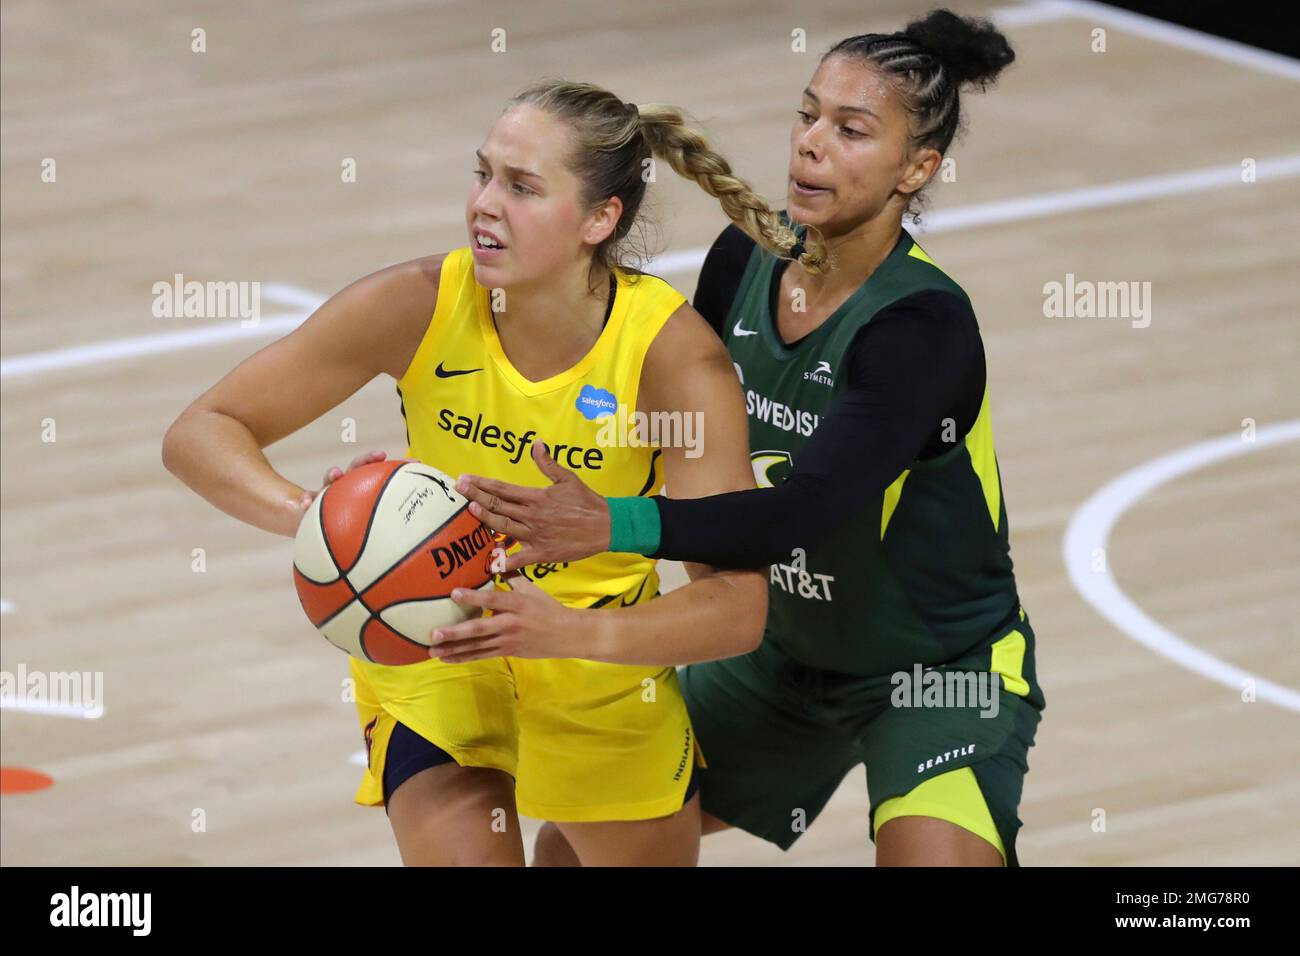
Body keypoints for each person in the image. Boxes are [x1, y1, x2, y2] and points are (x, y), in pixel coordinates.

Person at [161, 78, 834, 865]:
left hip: (601, 670)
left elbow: (734, 608)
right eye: (483, 175)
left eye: (521, 187)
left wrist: (570, 630)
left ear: (599, 218)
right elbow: (201, 430)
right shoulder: (417, 303)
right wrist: (321, 516)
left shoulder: (672, 360)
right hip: (438, 651)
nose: (485, 203)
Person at [454, 11, 1046, 866]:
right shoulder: (743, 259)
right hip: (778, 654)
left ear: (918, 167)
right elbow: (667, 426)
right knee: (580, 848)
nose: (810, 145)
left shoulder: (920, 324)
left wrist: (612, 524)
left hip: (930, 671)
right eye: (807, 115)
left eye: (850, 130)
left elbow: (797, 514)